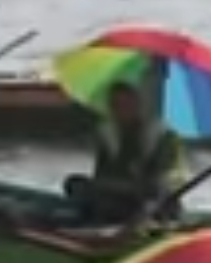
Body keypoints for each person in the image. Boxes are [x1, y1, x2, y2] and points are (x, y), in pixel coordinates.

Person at [65, 77, 185, 227]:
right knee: (75, 184)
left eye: (126, 104)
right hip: (117, 196)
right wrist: (105, 185)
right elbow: (101, 174)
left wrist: (131, 185)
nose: (120, 110)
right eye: (115, 105)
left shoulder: (161, 136)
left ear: (138, 105)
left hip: (153, 202)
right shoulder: (108, 134)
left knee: (147, 200)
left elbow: (165, 180)